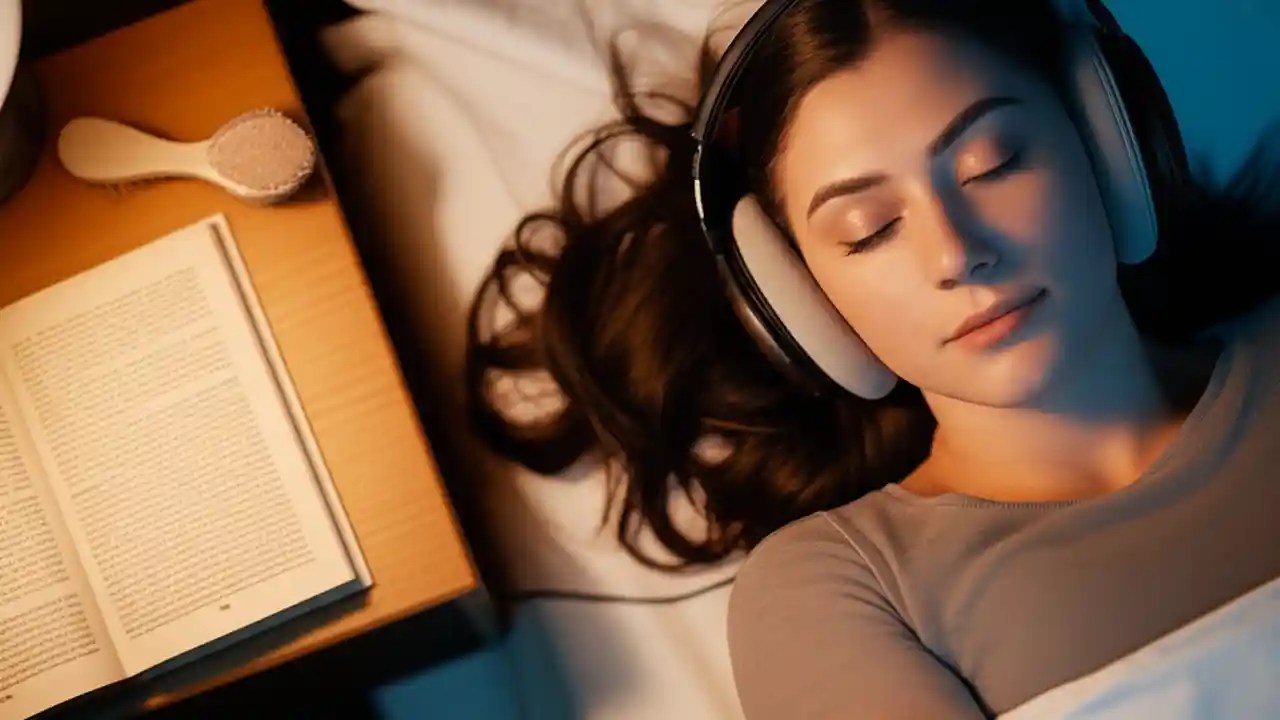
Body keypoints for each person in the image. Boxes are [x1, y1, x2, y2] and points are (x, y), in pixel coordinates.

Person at [465, 0, 1280, 716]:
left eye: (991, 164)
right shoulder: (841, 588)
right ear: (803, 302)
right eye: (869, 230)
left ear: (1106, 139)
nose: (956, 253)